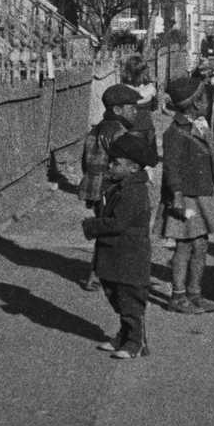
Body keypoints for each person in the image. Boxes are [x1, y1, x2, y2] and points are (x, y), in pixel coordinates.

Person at [81, 134, 155, 359]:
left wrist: (92, 225)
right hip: (116, 253)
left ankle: (136, 342)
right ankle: (125, 335)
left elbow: (119, 222)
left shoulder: (134, 191)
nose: (110, 166)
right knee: (116, 295)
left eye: (116, 163)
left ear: (133, 168)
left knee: (130, 300)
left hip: (129, 255)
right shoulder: (119, 186)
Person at [77, 84, 155, 292]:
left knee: (105, 225)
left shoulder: (97, 128)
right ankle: (100, 274)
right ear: (118, 110)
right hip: (108, 187)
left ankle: (97, 273)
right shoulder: (118, 132)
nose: (136, 112)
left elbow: (84, 161)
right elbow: (125, 161)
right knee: (110, 227)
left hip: (94, 185)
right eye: (132, 108)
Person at [160, 75, 214, 314]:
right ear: (196, 103)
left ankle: (195, 292)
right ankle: (178, 295)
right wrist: (176, 195)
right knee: (184, 246)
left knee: (201, 245)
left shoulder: (200, 124)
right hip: (185, 196)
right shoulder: (175, 132)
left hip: (199, 194)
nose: (209, 104)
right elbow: (171, 167)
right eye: (206, 99)